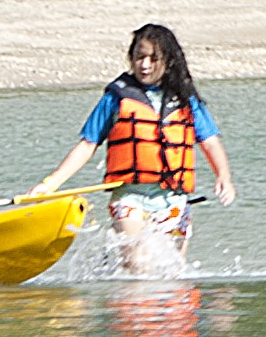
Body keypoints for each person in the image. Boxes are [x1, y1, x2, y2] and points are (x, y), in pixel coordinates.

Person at [28, 22, 235, 272]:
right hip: (130, 198)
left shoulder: (185, 99)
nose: (145, 65)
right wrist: (50, 184)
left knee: (172, 273)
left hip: (174, 200)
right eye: (139, 57)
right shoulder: (117, 98)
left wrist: (223, 176)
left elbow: (210, 142)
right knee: (138, 265)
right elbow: (87, 144)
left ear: (169, 61)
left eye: (153, 59)